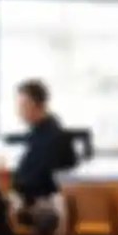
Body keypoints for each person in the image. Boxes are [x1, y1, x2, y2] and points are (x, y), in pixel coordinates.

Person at [12, 79, 77, 209]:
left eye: (23, 106)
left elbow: (35, 180)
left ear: (39, 106)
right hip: (33, 199)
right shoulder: (37, 132)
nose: (19, 112)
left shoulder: (51, 137)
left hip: (43, 205)